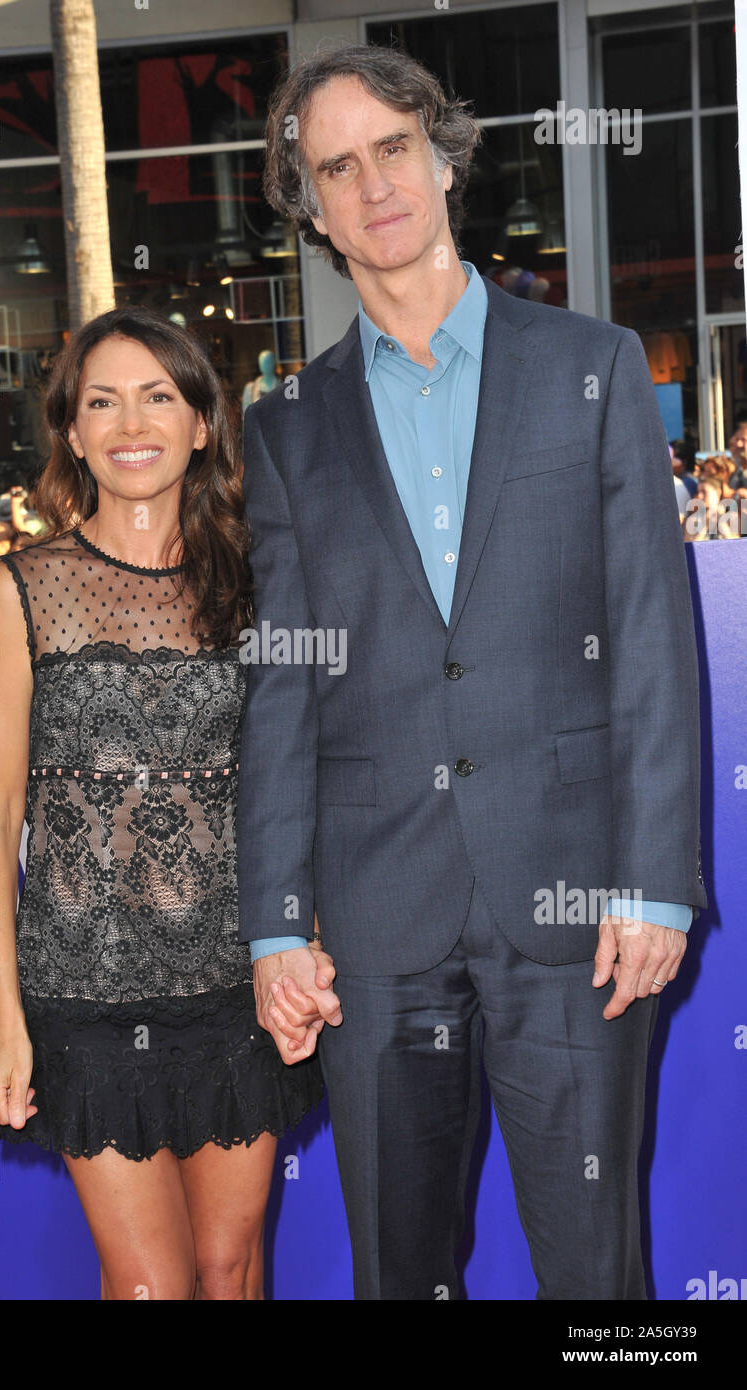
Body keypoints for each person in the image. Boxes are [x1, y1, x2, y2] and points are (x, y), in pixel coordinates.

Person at [235, 41, 706, 1300]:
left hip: (578, 910)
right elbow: (281, 682)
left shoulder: (593, 368)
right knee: (400, 1274)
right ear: (311, 206)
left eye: (394, 148)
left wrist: (656, 882)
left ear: (441, 158)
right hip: (375, 922)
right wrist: (279, 922)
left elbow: (653, 639)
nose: (374, 183)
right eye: (337, 166)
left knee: (598, 1276)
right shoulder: (284, 429)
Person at [0, 305, 326, 1301]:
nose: (133, 421)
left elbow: (301, 777)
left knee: (231, 1270)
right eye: (103, 401)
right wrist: (6, 1020)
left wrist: (306, 939)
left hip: (234, 985)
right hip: (81, 996)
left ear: (205, 421)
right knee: (150, 1287)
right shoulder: (21, 591)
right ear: (73, 433)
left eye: (159, 395)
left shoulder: (260, 581)